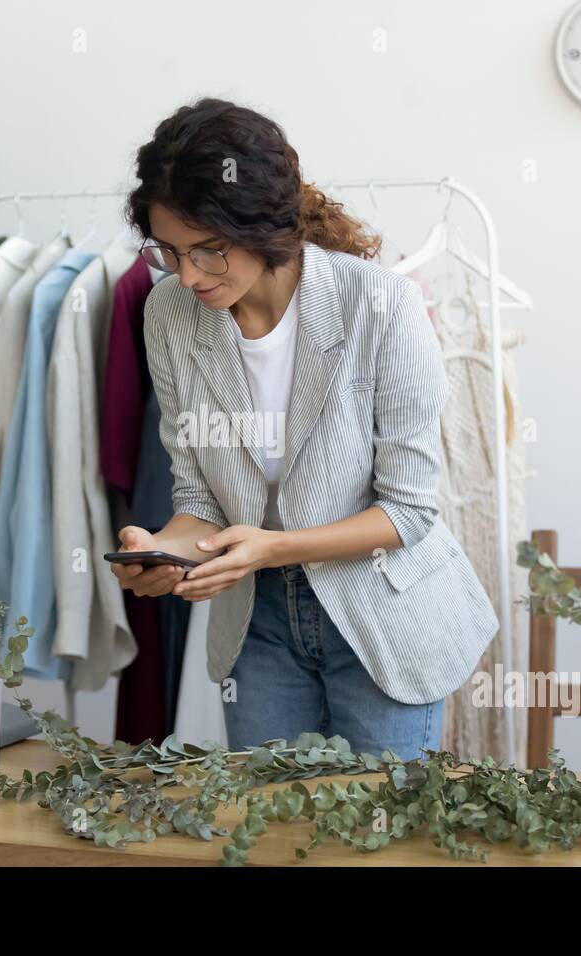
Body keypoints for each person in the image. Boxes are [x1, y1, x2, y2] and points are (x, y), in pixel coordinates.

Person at [111, 98, 499, 762]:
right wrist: (166, 552)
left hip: (381, 613)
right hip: (257, 626)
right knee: (268, 836)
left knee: (379, 843)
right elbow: (200, 499)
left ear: (266, 226)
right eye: (169, 251)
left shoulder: (380, 304)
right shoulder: (168, 313)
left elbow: (407, 513)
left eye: (210, 249)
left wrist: (270, 547)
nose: (189, 274)